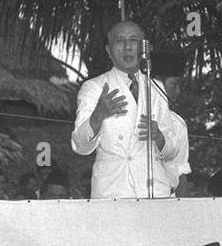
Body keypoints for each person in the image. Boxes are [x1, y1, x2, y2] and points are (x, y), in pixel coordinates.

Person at [71, 20, 186, 199]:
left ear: (145, 48)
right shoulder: (94, 87)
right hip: (113, 190)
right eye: (119, 41)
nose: (127, 47)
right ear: (109, 50)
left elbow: (172, 152)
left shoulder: (157, 88)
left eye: (133, 40)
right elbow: (80, 145)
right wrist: (98, 116)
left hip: (154, 191)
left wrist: (159, 137)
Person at [150, 48, 192, 197]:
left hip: (167, 201)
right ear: (155, 83)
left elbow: (181, 172)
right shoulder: (129, 116)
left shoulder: (178, 124)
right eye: (174, 84)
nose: (178, 91)